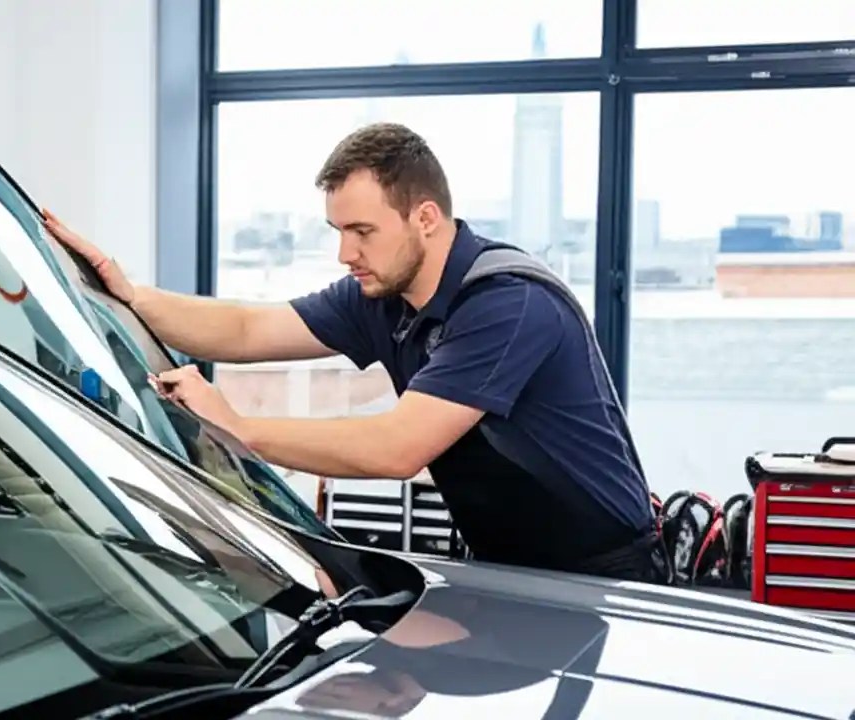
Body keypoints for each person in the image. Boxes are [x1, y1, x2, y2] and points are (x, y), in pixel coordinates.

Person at [41, 121, 667, 583]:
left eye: (363, 232)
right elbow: (248, 331)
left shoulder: (507, 303)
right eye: (339, 232)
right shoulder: (381, 296)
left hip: (605, 574)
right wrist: (129, 294)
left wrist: (238, 429)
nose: (346, 253)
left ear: (425, 217)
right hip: (507, 565)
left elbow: (398, 448)